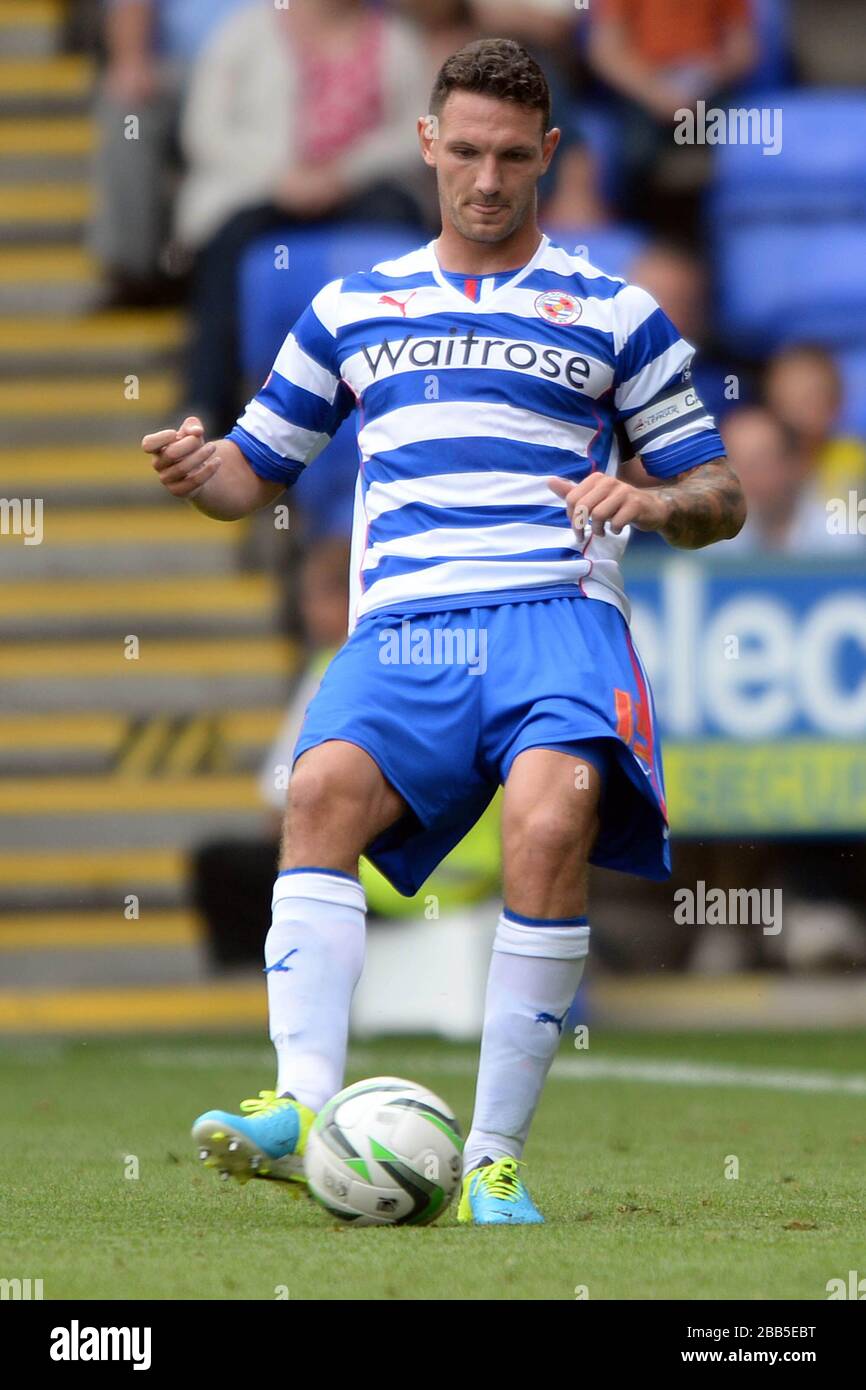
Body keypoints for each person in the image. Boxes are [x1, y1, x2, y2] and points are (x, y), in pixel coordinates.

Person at [142, 38, 745, 1225]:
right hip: (404, 624)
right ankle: (298, 1105)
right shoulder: (349, 306)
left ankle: (493, 1158)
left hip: (554, 617)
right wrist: (201, 463)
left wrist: (655, 496)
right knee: (316, 790)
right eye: (463, 151)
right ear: (426, 143)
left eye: (511, 157)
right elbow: (252, 473)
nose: (483, 178)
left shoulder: (614, 311)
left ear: (547, 156)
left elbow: (716, 494)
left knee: (550, 819)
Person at [175, 0, 428, 436]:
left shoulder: (397, 41)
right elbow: (205, 130)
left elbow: (419, 129)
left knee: (397, 227)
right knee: (229, 244)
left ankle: (402, 382)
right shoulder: (243, 34)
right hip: (260, 188)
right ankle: (207, 403)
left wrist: (343, 173)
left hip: (358, 188)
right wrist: (281, 175)